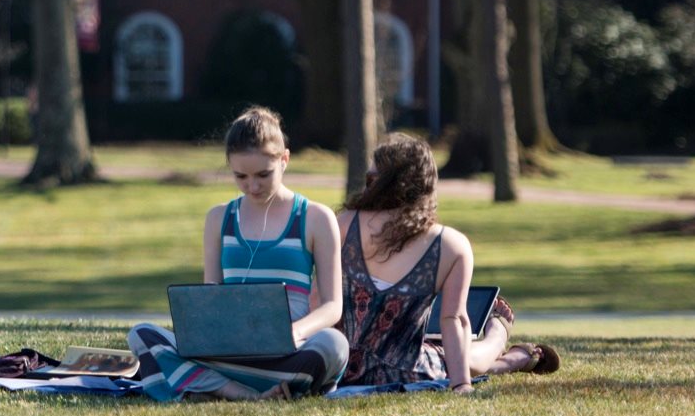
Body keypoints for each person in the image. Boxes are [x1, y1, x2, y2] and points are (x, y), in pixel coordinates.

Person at [128, 107, 350, 401]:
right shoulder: (219, 218)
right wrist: (202, 334)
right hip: (227, 353)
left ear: (284, 159)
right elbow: (211, 293)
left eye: (263, 174)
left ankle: (203, 387)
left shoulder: (315, 218)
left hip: (288, 353)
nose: (252, 186)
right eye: (240, 176)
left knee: (334, 345)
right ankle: (240, 392)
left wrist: (294, 332)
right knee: (141, 334)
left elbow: (333, 306)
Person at [340, 133, 560, 392]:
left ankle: (502, 345)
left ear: (382, 184)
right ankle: (502, 342)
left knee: (452, 355)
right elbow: (454, 320)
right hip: (409, 371)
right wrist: (461, 384)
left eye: (371, 180)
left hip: (344, 370)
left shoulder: (342, 225)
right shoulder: (451, 244)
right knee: (456, 357)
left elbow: (322, 305)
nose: (366, 188)